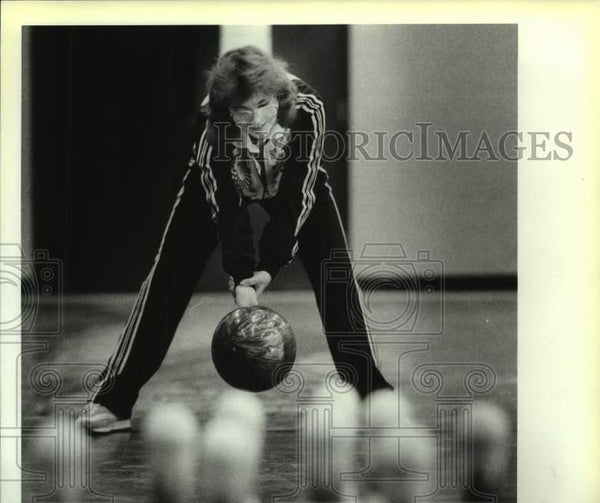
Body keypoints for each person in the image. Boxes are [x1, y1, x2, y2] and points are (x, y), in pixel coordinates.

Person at [83, 46, 392, 433]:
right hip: (219, 187)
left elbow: (298, 193)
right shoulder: (211, 121)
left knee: (337, 275)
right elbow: (227, 206)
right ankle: (114, 399)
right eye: (243, 112)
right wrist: (241, 273)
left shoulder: (307, 107)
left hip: (290, 184)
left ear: (276, 95)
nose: (257, 120)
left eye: (263, 105)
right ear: (227, 108)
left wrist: (270, 265)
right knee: (166, 279)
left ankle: (371, 393)